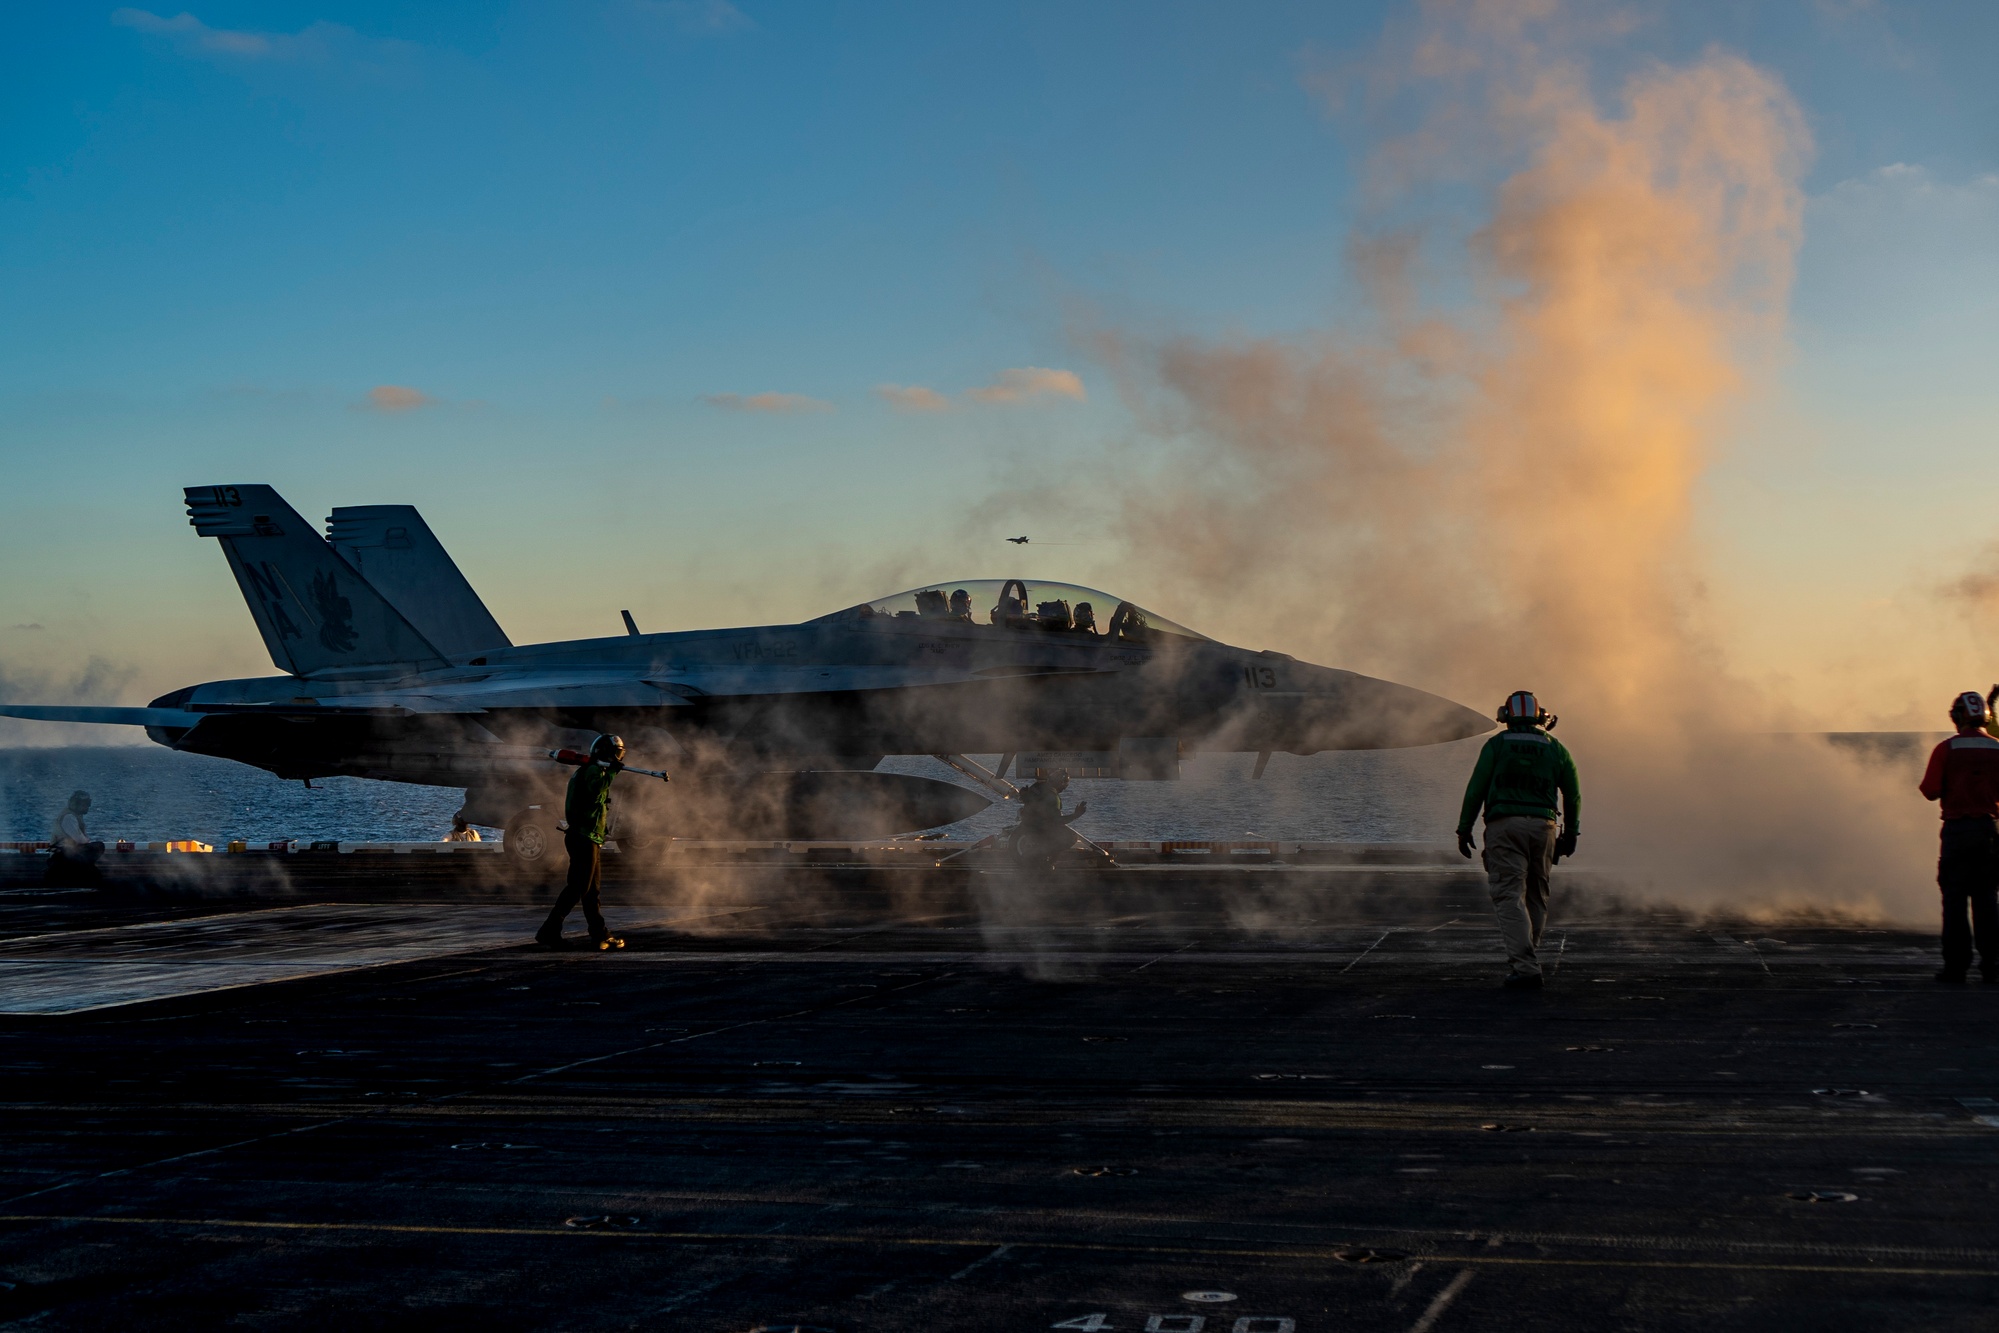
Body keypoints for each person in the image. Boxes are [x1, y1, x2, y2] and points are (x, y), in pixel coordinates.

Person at [1456, 691, 1580, 990]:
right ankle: (1527, 960)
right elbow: (1572, 794)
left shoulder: (1497, 745)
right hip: (1544, 827)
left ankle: (1525, 968)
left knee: (1509, 895)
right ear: (1540, 716)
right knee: (1537, 895)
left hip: (1505, 827)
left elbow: (1476, 789)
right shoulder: (1556, 748)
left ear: (1506, 716)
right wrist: (1571, 833)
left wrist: (1464, 828)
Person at [1917, 688, 1999, 983]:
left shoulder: (1946, 749)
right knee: (1987, 900)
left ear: (1958, 717)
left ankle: (1956, 967)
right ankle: (1992, 965)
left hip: (1957, 832)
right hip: (1989, 832)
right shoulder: (1997, 748)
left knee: (1954, 901)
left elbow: (1930, 790)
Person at [536, 734, 627, 950]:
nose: (619, 757)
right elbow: (596, 791)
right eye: (617, 754)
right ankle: (549, 930)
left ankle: (599, 934)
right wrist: (612, 772)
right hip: (584, 837)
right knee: (578, 887)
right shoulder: (593, 771)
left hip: (589, 837)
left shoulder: (589, 770)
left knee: (591, 891)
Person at [1013, 768, 1087, 869]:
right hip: (1039, 828)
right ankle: (1045, 859)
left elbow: (1025, 797)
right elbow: (1057, 821)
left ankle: (1040, 854)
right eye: (1065, 785)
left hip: (1027, 824)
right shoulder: (1052, 796)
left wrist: (1023, 793)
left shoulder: (1036, 786)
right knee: (1071, 836)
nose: (1064, 788)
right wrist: (1076, 815)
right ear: (1061, 783)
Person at [47, 789, 105, 886]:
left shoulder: (74, 815)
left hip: (66, 852)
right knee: (98, 846)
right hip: (62, 854)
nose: (88, 806)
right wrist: (87, 842)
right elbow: (80, 840)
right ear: (77, 804)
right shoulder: (69, 817)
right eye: (86, 804)